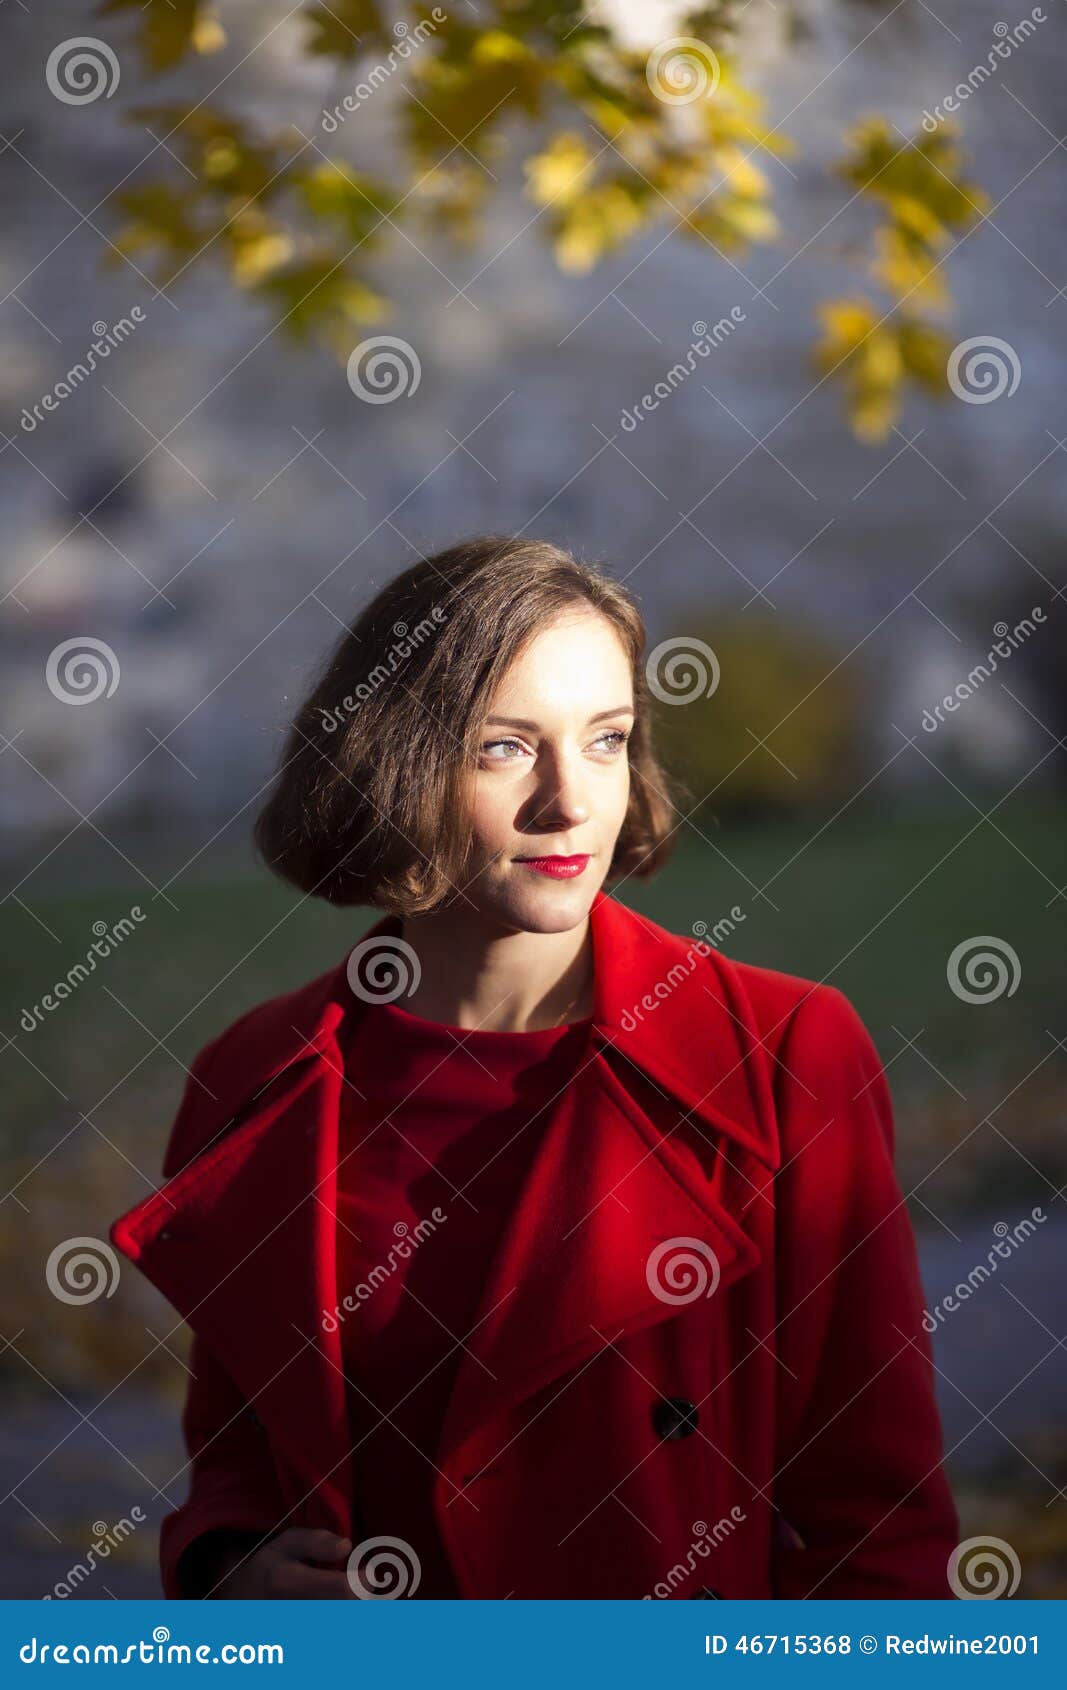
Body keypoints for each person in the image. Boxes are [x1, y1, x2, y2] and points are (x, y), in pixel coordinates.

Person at [109, 534, 960, 1599]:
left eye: (606, 739)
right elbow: (239, 1447)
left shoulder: (782, 1053)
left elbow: (875, 1521)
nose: (571, 800)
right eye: (505, 747)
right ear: (395, 760)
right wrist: (231, 1571)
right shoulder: (254, 1074)